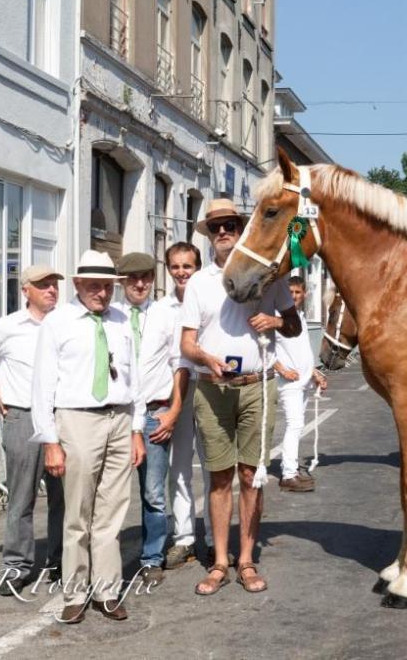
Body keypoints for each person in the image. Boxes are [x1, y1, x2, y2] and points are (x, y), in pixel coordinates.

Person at [179, 198, 302, 596]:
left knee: (251, 476)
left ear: (240, 228)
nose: (223, 232)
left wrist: (276, 320)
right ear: (208, 235)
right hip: (212, 388)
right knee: (219, 477)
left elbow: (295, 326)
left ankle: (246, 559)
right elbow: (187, 343)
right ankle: (219, 562)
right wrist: (205, 358)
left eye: (230, 225)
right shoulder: (199, 282)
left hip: (257, 387)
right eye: (215, 228)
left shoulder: (269, 276)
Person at [32, 250, 146, 624]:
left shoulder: (120, 320)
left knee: (112, 511)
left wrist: (136, 429)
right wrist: (50, 441)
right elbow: (42, 386)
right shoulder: (58, 322)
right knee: (78, 513)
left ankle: (107, 591)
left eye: (108, 287)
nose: (102, 293)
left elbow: (134, 378)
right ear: (78, 284)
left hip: (119, 417)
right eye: (94, 286)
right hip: (77, 420)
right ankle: (75, 592)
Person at [0, 265, 65, 596]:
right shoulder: (6, 328)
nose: (51, 289)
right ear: (25, 291)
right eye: (43, 285)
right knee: (21, 497)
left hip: (62, 417)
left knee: (64, 497)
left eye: (54, 284)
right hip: (23, 417)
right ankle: (16, 566)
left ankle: (61, 561)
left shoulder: (65, 324)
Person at [112, 252, 190, 588]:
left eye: (146, 277)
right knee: (110, 493)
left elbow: (179, 364)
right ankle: (103, 560)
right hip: (117, 415)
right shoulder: (111, 316)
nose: (140, 284)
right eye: (133, 278)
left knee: (153, 492)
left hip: (155, 414)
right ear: (122, 282)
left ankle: (151, 558)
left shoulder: (165, 314)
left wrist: (173, 411)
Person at [161, 242, 204, 569]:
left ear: (197, 267)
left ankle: (215, 540)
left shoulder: (211, 299)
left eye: (187, 266)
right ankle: (184, 538)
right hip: (178, 392)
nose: (181, 272)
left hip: (210, 389)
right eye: (175, 266)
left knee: (214, 467)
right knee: (179, 469)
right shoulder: (162, 308)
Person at [273, 275, 328, 492]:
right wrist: (282, 370)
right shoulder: (277, 317)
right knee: (294, 425)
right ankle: (288, 475)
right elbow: (265, 348)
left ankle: (292, 469)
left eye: (297, 292)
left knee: (297, 426)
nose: (294, 296)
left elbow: (302, 352)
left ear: (304, 294)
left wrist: (314, 374)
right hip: (289, 381)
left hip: (304, 381)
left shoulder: (301, 318)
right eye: (290, 293)